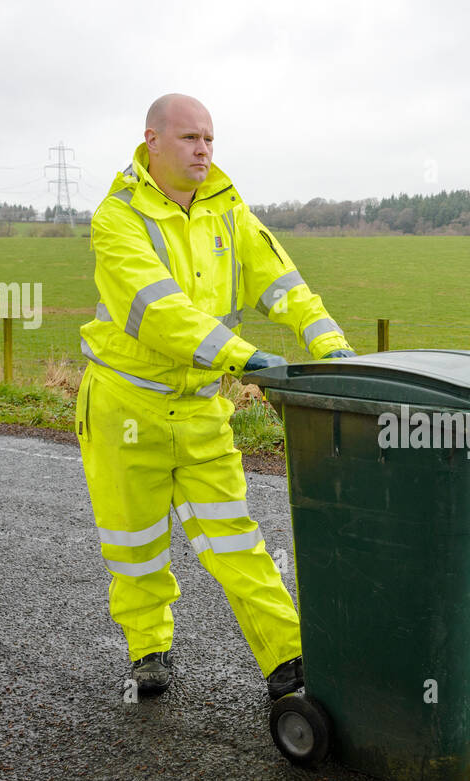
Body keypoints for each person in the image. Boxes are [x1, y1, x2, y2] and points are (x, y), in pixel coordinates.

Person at [75, 93, 356, 698]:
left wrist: (328, 340)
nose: (203, 149)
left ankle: (289, 660)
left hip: (200, 409)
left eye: (209, 139)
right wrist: (246, 357)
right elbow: (160, 312)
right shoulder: (118, 217)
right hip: (126, 406)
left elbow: (283, 283)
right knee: (135, 543)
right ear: (151, 141)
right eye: (188, 138)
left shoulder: (228, 211)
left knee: (237, 540)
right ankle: (148, 651)